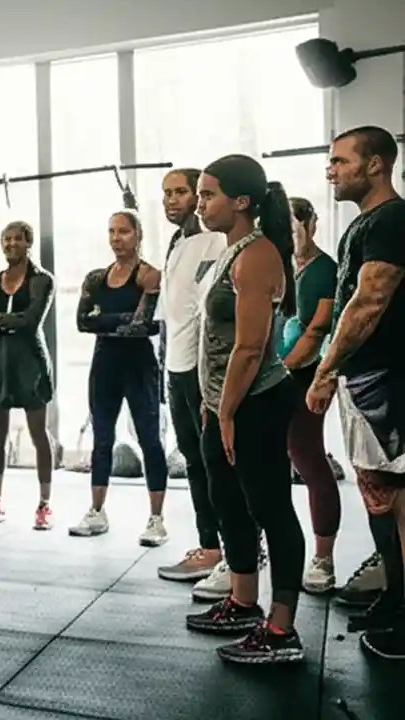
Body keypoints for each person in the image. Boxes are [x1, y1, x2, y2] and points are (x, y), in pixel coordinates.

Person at [183, 154, 306, 665]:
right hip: (226, 402)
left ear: (242, 202)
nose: (199, 202)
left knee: (270, 506)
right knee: (227, 500)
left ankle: (281, 629)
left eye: (208, 194)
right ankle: (242, 599)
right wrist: (214, 405)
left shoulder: (257, 256)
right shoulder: (229, 252)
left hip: (255, 401)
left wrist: (228, 410)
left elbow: (251, 347)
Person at [305, 125, 405, 660]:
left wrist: (324, 370)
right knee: (378, 493)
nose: (331, 169)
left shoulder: (393, 219)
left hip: (389, 379)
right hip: (363, 379)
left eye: (341, 160)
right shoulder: (362, 225)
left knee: (400, 495)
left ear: (375, 165)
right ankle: (395, 596)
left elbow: (368, 304)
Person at [153, 168, 230, 590]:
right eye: (166, 193)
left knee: (216, 464)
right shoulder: (178, 241)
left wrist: (208, 380)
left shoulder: (214, 241)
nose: (172, 199)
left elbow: (208, 316)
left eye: (181, 191)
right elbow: (174, 315)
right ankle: (210, 547)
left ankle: (233, 552)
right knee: (195, 462)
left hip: (200, 373)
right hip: (176, 369)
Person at [72, 210, 169, 545]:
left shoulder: (149, 274)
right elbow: (83, 321)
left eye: (124, 231)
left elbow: (144, 325)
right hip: (105, 364)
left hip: (138, 364)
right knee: (102, 439)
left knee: (149, 439)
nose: (116, 238)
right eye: (112, 231)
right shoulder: (96, 278)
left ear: (138, 234)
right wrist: (120, 319)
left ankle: (156, 519)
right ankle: (97, 512)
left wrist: (105, 318)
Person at [0, 222, 57, 529]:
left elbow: (31, 322)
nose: (10, 244)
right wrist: (7, 321)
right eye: (5, 239)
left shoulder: (43, 280)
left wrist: (0, 318)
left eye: (16, 239)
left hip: (30, 363)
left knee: (38, 432)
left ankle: (44, 504)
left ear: (28, 243)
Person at [278, 196, 341, 595]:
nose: (290, 237)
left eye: (295, 228)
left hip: (307, 376)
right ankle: (261, 549)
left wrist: (283, 372)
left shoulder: (327, 270)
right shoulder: (277, 266)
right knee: (266, 464)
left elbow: (317, 331)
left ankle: (324, 558)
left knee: (307, 457)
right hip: (270, 375)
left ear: (311, 225)